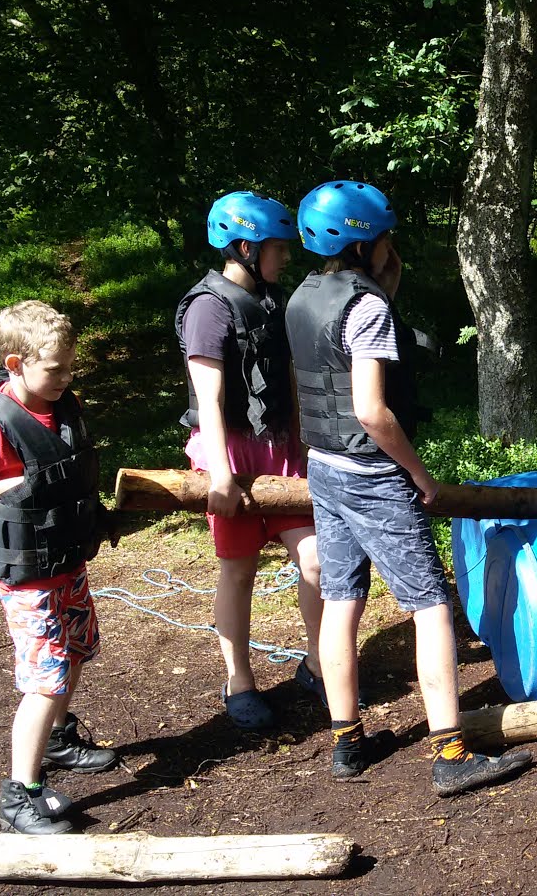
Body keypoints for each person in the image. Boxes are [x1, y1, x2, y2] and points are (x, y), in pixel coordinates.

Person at [286, 180, 534, 796]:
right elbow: (372, 410)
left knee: (341, 599)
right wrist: (419, 476)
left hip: (324, 464)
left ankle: (345, 741)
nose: (392, 243)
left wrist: (384, 288)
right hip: (372, 472)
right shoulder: (366, 308)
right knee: (428, 604)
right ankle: (451, 751)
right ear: (364, 240)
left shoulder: (302, 297)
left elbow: (317, 388)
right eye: (385, 234)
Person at [0, 300, 119, 835]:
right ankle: (20, 795)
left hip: (65, 563)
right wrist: (1, 487)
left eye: (70, 367)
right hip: (26, 578)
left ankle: (56, 741)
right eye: (54, 369)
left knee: (78, 650)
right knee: (45, 679)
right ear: (15, 364)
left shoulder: (62, 407)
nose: (65, 377)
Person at [176, 191, 324, 730]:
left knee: (315, 561)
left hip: (280, 448)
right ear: (244, 247)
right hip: (229, 450)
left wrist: (303, 445)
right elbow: (209, 399)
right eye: (277, 248)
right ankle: (239, 679)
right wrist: (219, 473)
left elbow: (285, 379)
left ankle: (318, 663)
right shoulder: (207, 309)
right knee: (238, 570)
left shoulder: (271, 300)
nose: (285, 257)